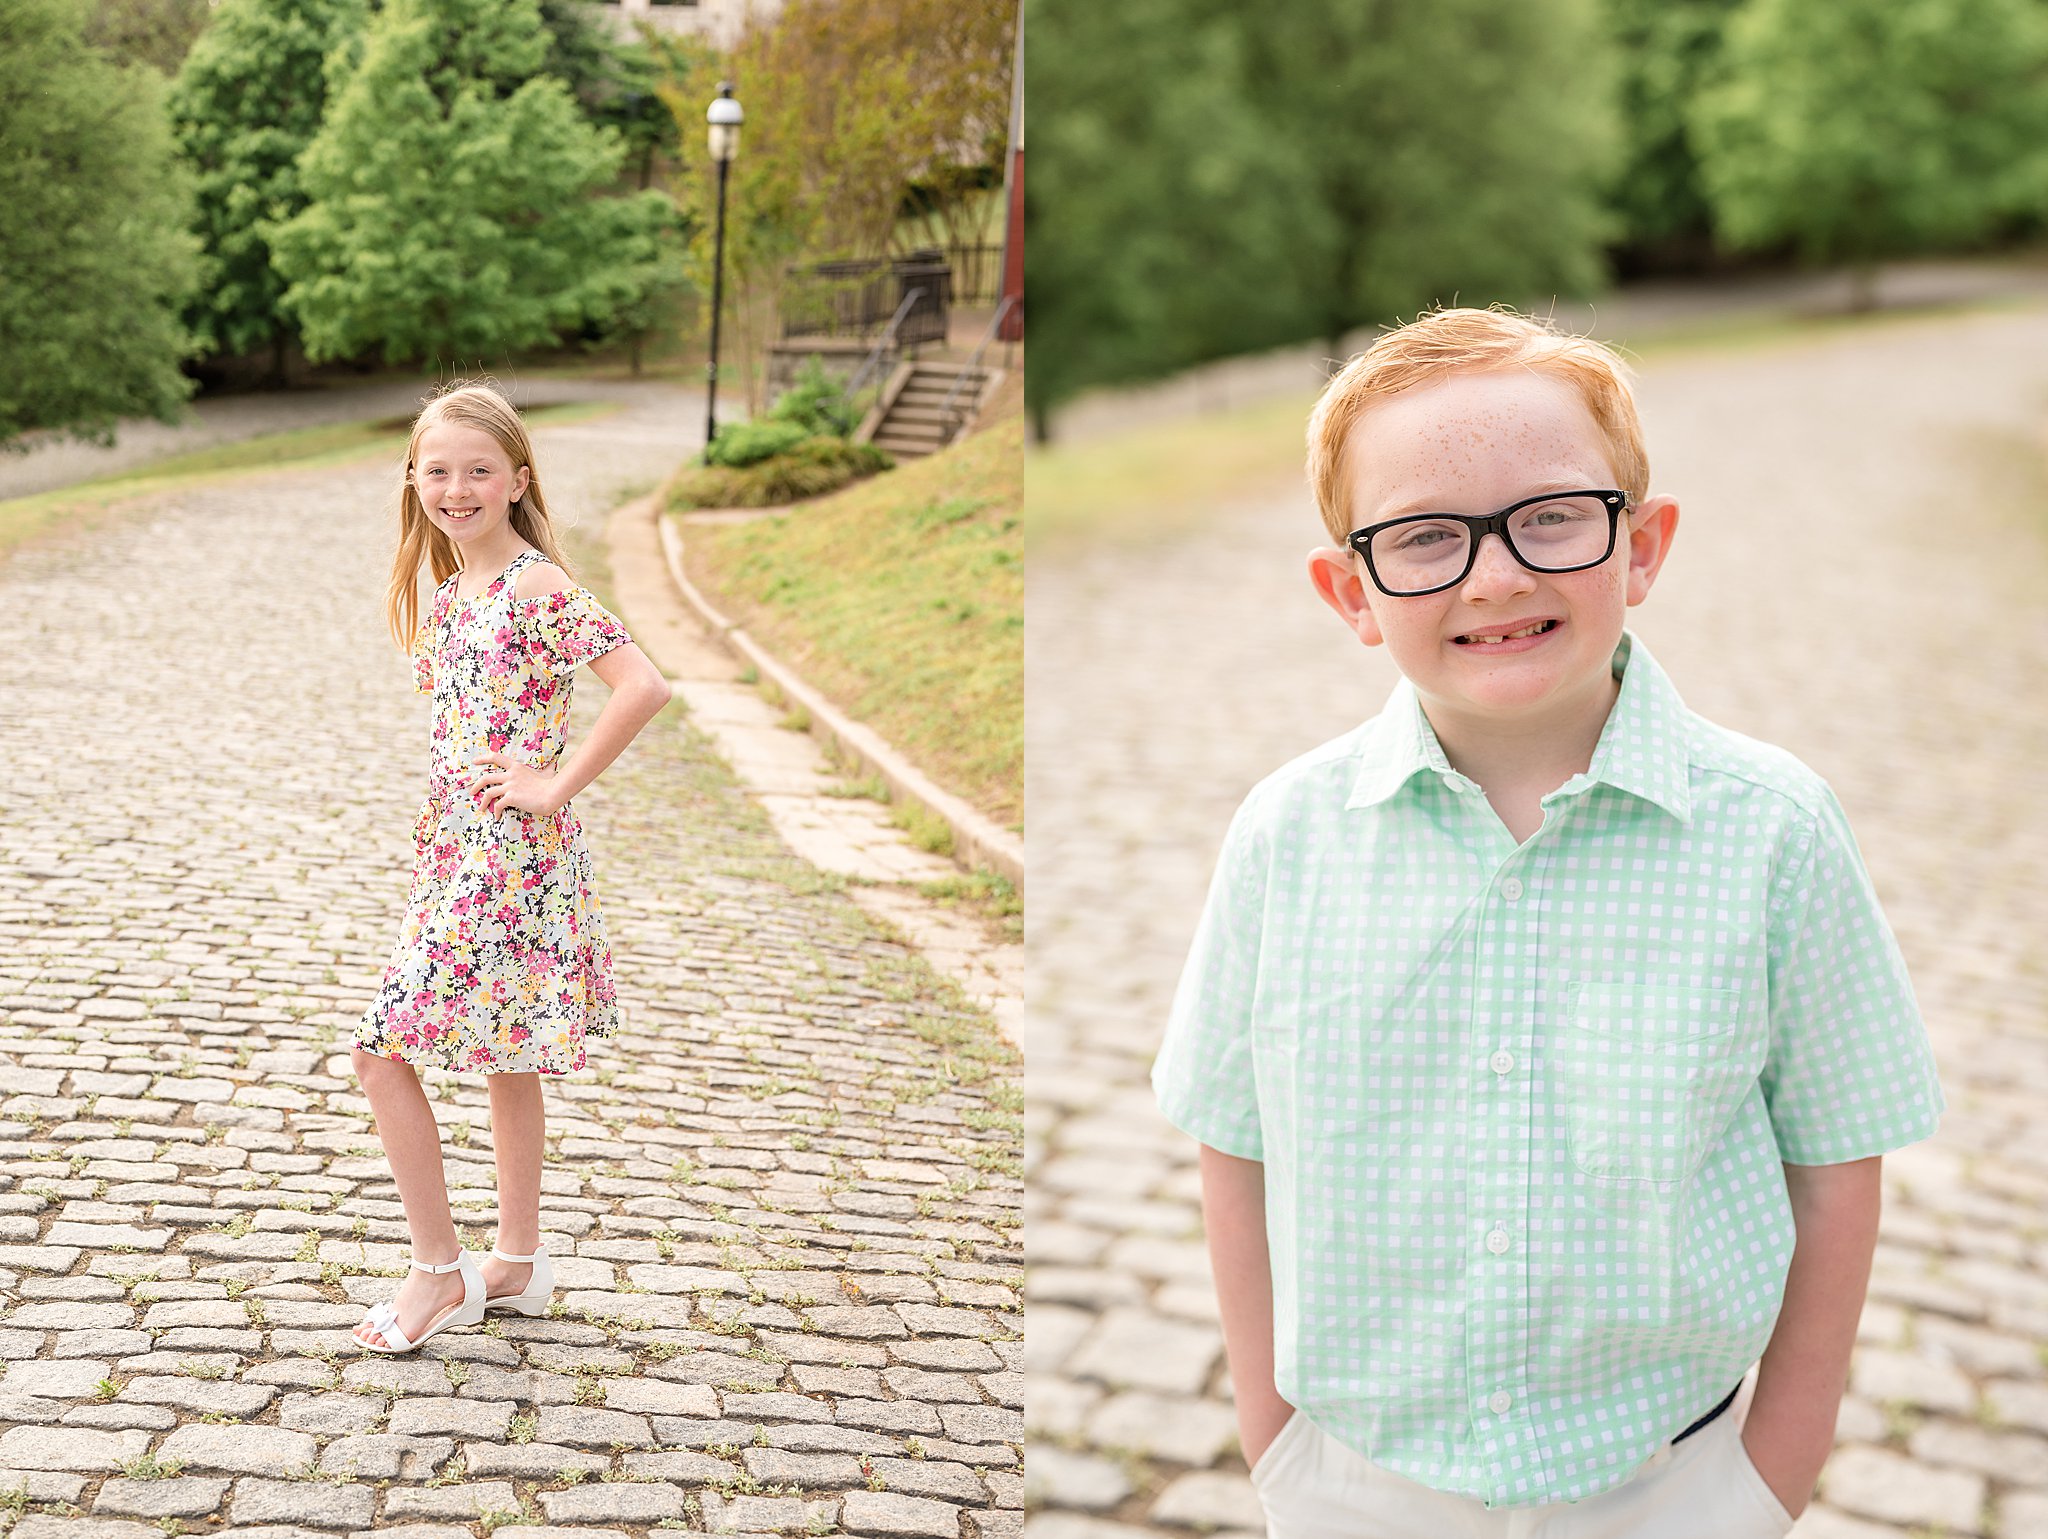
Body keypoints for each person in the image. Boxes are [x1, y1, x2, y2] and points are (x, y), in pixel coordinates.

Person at [1150, 308, 1944, 1536]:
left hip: (1671, 1482)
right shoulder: (1284, 836)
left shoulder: (1771, 831)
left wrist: (1765, 1477)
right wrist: (1277, 1444)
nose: (1496, 574)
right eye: (1422, 537)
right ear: (1349, 592)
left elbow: (1836, 1166)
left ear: (1641, 545)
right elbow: (1233, 1147)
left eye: (1551, 516)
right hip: (1356, 1484)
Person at [350, 382, 670, 1354]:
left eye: (478, 470)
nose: (457, 488)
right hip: (461, 850)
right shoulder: (454, 590)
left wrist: (554, 782)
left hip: (508, 855)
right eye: (438, 470)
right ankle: (518, 1261)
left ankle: (437, 1272)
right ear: (415, 479)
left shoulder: (532, 586)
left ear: (516, 480)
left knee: (379, 1051)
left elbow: (642, 684)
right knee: (504, 1053)